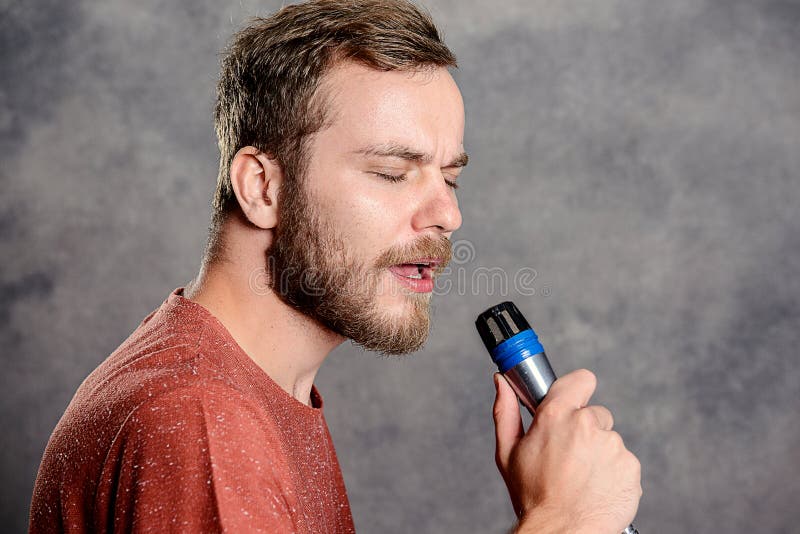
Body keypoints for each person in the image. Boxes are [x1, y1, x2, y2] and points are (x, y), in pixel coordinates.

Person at [30, 1, 642, 532]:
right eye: (392, 173)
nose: (448, 214)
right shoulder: (202, 418)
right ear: (262, 188)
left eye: (450, 178)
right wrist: (564, 521)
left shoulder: (254, 390)